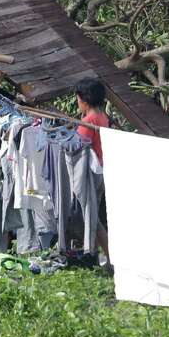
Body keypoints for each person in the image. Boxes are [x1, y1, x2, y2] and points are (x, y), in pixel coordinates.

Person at [74, 78, 110, 260]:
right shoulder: (102, 117)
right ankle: (94, 256)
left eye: (78, 99)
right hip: (101, 172)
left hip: (91, 174)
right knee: (92, 217)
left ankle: (111, 259)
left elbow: (77, 147)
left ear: (84, 100)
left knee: (92, 218)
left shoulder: (88, 122)